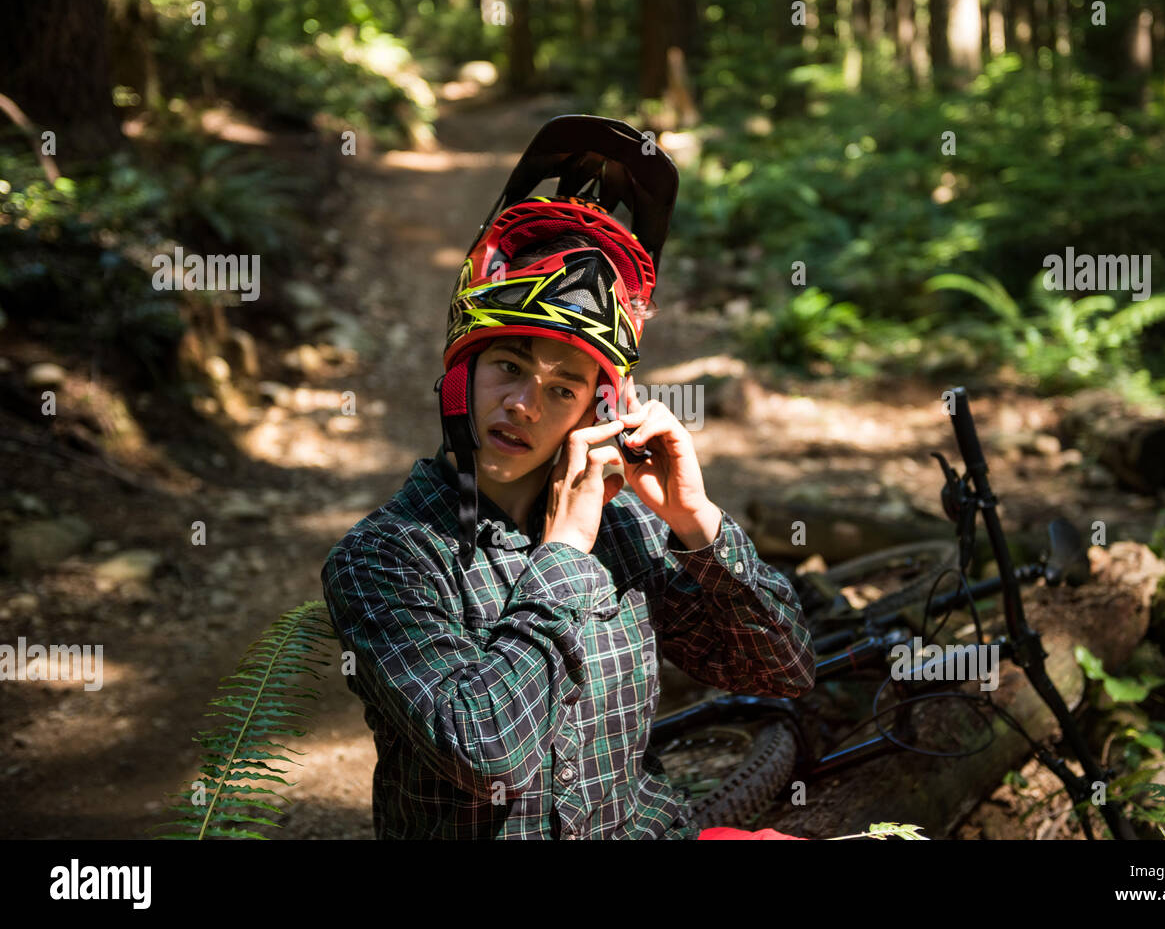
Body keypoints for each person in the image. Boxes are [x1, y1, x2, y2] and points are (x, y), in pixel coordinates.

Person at [321, 116, 815, 839]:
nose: (524, 403)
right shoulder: (386, 560)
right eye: (509, 367)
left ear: (600, 408)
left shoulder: (628, 528)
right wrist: (563, 556)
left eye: (563, 388)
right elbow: (485, 750)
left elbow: (784, 669)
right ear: (463, 373)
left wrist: (695, 521)